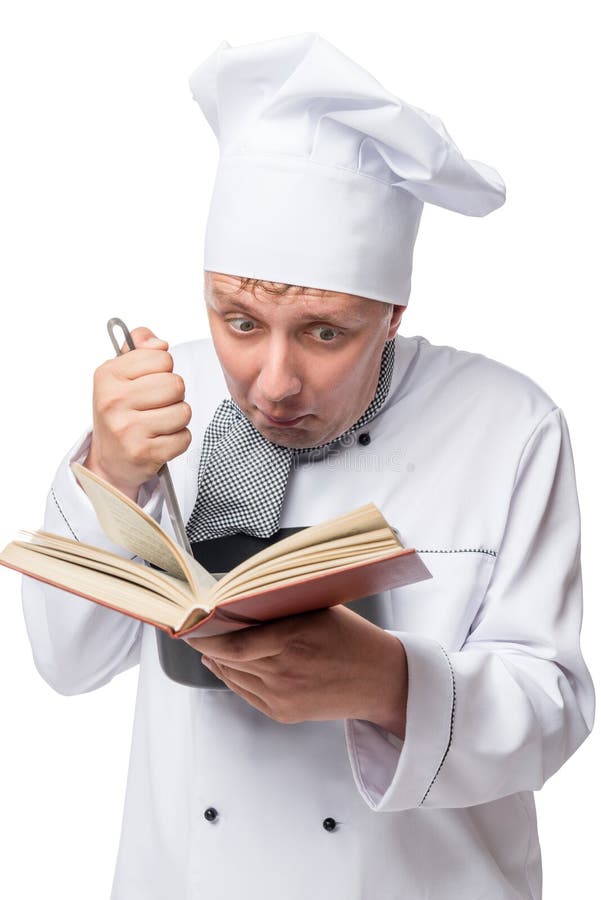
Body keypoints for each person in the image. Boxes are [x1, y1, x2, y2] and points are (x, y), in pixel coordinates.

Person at [21, 32, 594, 900]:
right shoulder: (159, 399)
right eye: (238, 321)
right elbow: (66, 663)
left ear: (392, 313)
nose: (272, 382)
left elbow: (554, 712)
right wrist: (107, 470)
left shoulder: (507, 424)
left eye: (325, 332)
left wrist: (389, 682)